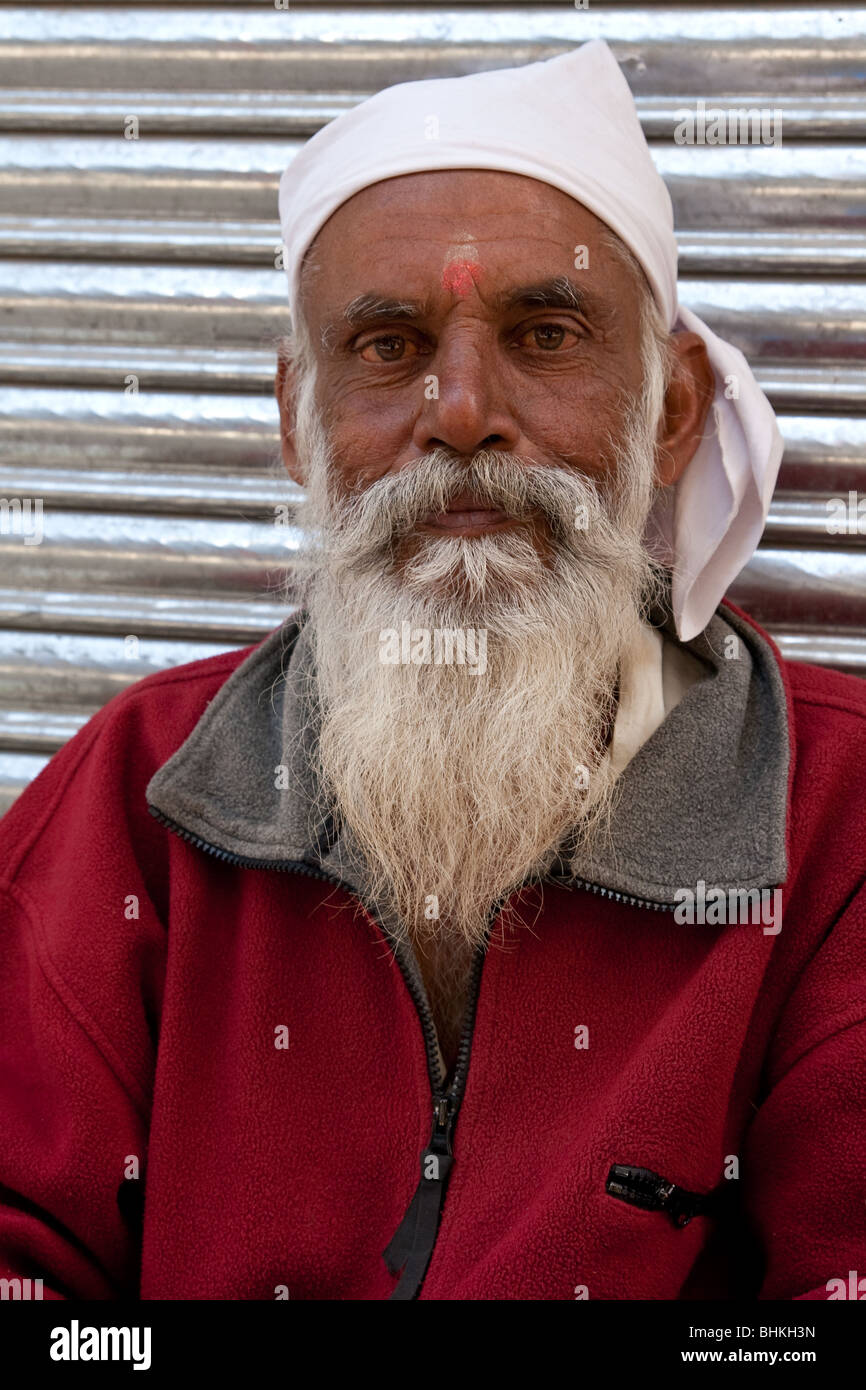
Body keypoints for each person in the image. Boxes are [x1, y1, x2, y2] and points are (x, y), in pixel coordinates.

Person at [1, 40, 864, 1302]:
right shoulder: (138, 796)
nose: (460, 410)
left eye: (545, 331)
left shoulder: (831, 817)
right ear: (299, 418)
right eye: (390, 347)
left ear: (670, 407)